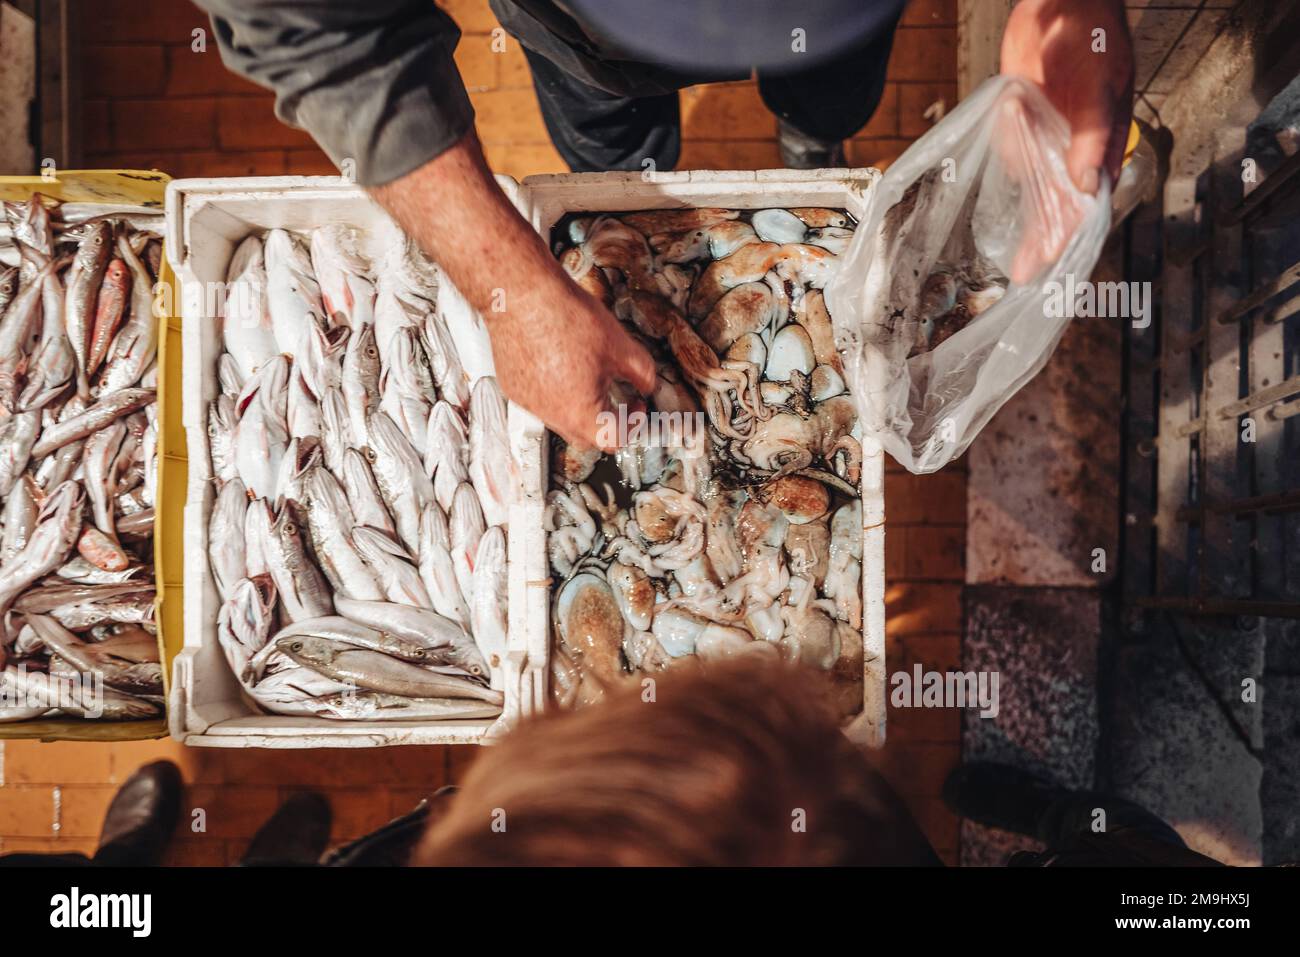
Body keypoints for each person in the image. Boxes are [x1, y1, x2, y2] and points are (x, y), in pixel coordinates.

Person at [194, 0, 1134, 452]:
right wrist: (510, 290)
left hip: (840, 16)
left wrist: (1076, 13)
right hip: (585, 38)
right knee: (609, 128)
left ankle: (812, 141)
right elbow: (320, 36)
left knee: (827, 88)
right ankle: (643, 171)